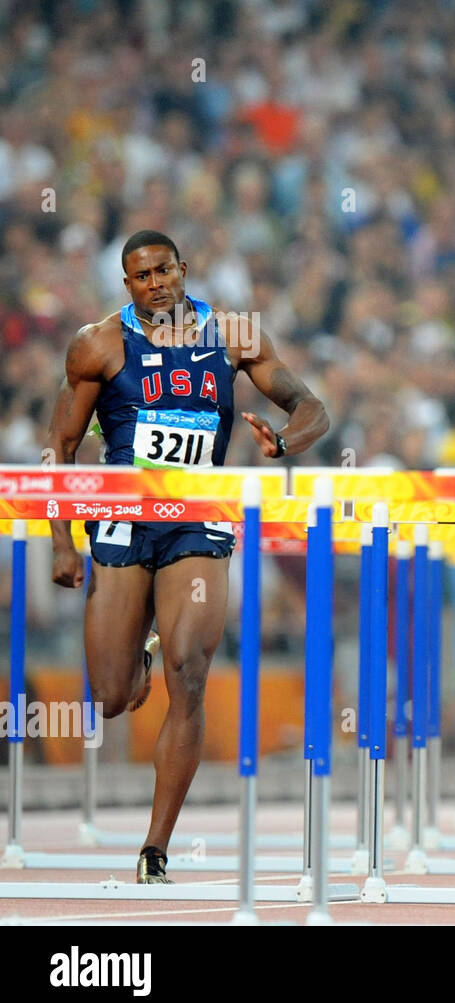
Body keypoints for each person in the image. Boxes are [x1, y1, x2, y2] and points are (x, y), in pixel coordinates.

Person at [47, 230, 329, 884]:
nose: (156, 283)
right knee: (113, 696)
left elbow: (311, 405)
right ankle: (136, 653)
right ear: (128, 285)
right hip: (124, 517)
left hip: (199, 519)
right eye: (142, 275)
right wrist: (62, 539)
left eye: (164, 270)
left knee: (190, 670)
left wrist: (284, 442)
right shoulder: (98, 344)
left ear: (183, 269)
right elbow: (59, 446)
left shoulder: (233, 335)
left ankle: (155, 846)